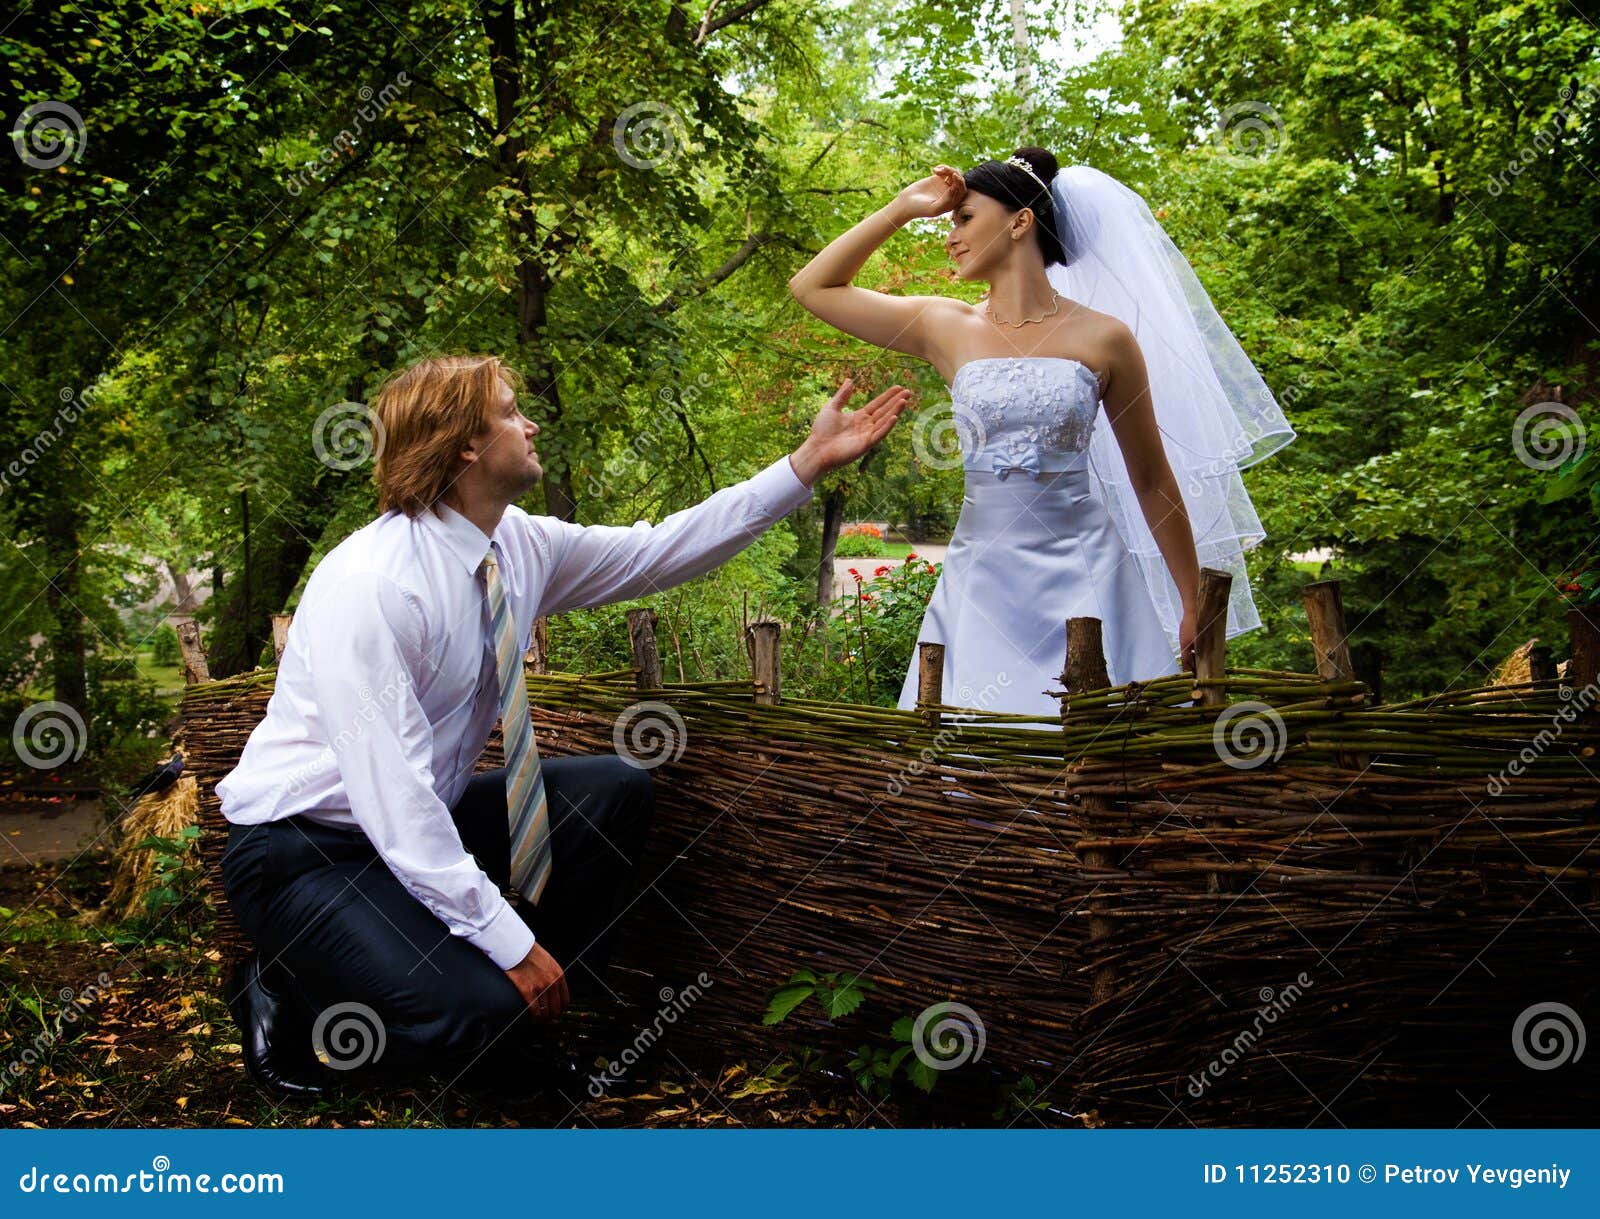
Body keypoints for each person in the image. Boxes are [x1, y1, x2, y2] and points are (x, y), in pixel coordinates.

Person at [216, 354, 910, 1098]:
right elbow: (397, 806)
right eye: (513, 412)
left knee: (613, 792)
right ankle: (292, 983)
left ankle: (525, 1014)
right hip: (309, 852)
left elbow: (658, 551)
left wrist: (803, 465)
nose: (532, 422)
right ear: (465, 447)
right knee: (475, 1018)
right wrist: (510, 943)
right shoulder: (374, 587)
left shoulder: (517, 544)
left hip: (415, 834)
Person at [789, 147, 1295, 718]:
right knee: (975, 758)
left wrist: (1189, 599)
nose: (949, 235)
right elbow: (814, 288)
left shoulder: (1106, 340)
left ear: (1020, 221)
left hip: (1092, 576)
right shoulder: (943, 326)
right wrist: (902, 209)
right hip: (983, 584)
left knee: (1105, 753)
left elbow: (1151, 479)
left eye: (964, 218)